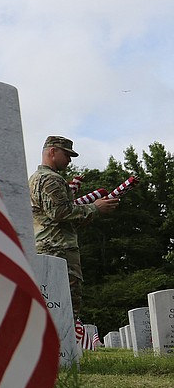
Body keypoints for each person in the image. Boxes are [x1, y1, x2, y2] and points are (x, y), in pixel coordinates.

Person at [29, 135, 119, 319]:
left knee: (53, 306)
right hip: (59, 251)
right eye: (67, 154)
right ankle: (65, 348)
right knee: (65, 307)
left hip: (49, 248)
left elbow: (60, 218)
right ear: (52, 151)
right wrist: (95, 207)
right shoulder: (50, 179)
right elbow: (59, 212)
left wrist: (92, 212)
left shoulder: (37, 178)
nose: (69, 160)